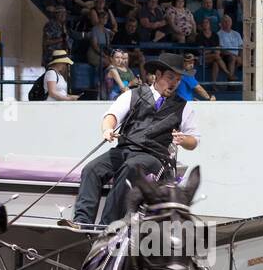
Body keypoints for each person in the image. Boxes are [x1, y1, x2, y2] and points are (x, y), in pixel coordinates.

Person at [72, 53, 199, 227]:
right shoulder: (132, 95)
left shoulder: (184, 107)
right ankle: (82, 222)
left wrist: (184, 140)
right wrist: (107, 129)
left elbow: (194, 141)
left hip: (154, 157)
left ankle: (107, 225)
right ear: (158, 75)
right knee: (92, 169)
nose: (174, 83)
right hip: (124, 150)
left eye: (177, 79)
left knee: (131, 168)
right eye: (170, 78)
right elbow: (111, 116)